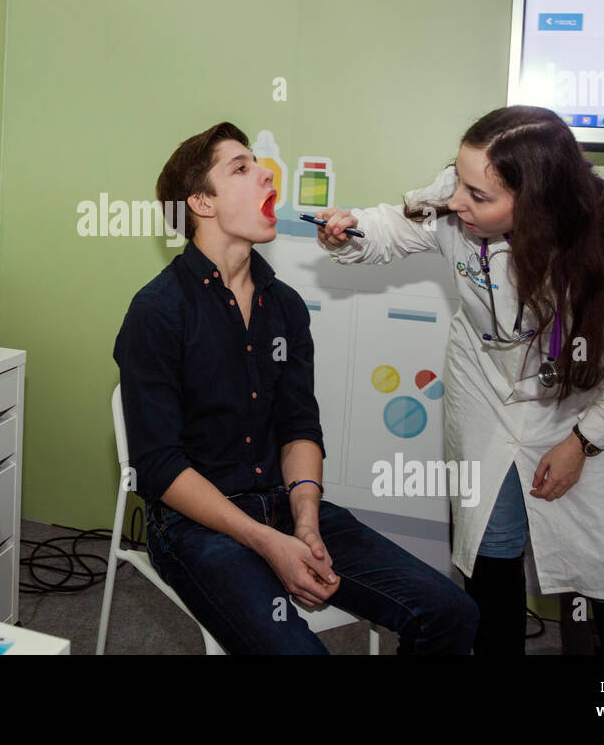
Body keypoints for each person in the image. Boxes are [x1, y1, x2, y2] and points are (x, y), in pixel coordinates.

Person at [316, 106, 604, 655]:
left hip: (580, 400)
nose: (456, 200)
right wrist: (352, 233)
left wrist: (583, 442)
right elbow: (398, 226)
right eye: (459, 182)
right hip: (484, 383)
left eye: (479, 196)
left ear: (539, 202)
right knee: (491, 538)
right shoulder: (461, 194)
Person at [113, 122, 478, 655]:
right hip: (195, 529)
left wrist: (305, 523)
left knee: (452, 613)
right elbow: (160, 466)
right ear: (201, 203)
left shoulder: (283, 306)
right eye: (241, 168)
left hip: (286, 506)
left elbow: (299, 425)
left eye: (259, 162)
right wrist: (265, 542)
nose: (265, 173)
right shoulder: (158, 312)